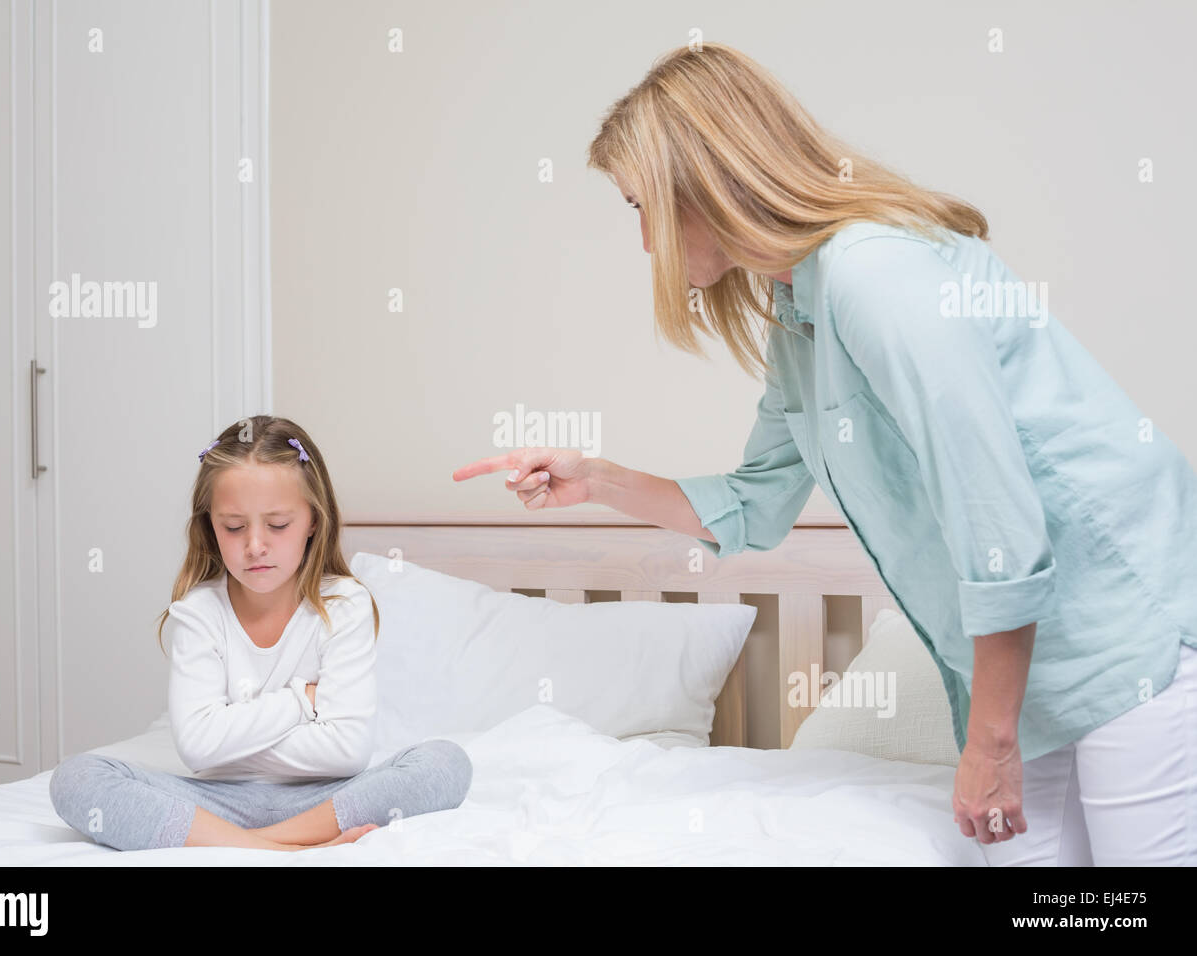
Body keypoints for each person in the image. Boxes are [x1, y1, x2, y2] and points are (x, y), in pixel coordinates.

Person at [454, 42, 1196, 866]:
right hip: (1032, 673)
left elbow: (997, 522)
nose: (644, 244)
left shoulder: (876, 276)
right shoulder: (800, 319)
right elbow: (755, 505)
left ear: (702, 181)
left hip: (1131, 633)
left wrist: (987, 744)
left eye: (639, 208)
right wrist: (594, 479)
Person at [50, 415, 472, 851]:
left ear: (313, 520)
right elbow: (196, 748)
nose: (255, 545)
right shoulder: (199, 611)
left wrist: (225, 738)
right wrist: (300, 701)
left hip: (324, 797)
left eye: (277, 525)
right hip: (216, 801)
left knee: (445, 764)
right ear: (211, 527)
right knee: (77, 779)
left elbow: (346, 751)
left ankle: (248, 845)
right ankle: (284, 851)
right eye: (234, 527)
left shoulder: (345, 603)